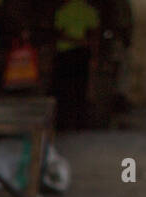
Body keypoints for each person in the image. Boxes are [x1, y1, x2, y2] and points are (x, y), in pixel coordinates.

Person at [53, 0, 102, 129]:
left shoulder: (63, 10)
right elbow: (94, 35)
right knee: (80, 88)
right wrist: (89, 49)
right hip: (81, 54)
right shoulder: (89, 11)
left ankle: (64, 123)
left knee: (65, 88)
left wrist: (73, 41)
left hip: (65, 53)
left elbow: (58, 33)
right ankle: (78, 123)